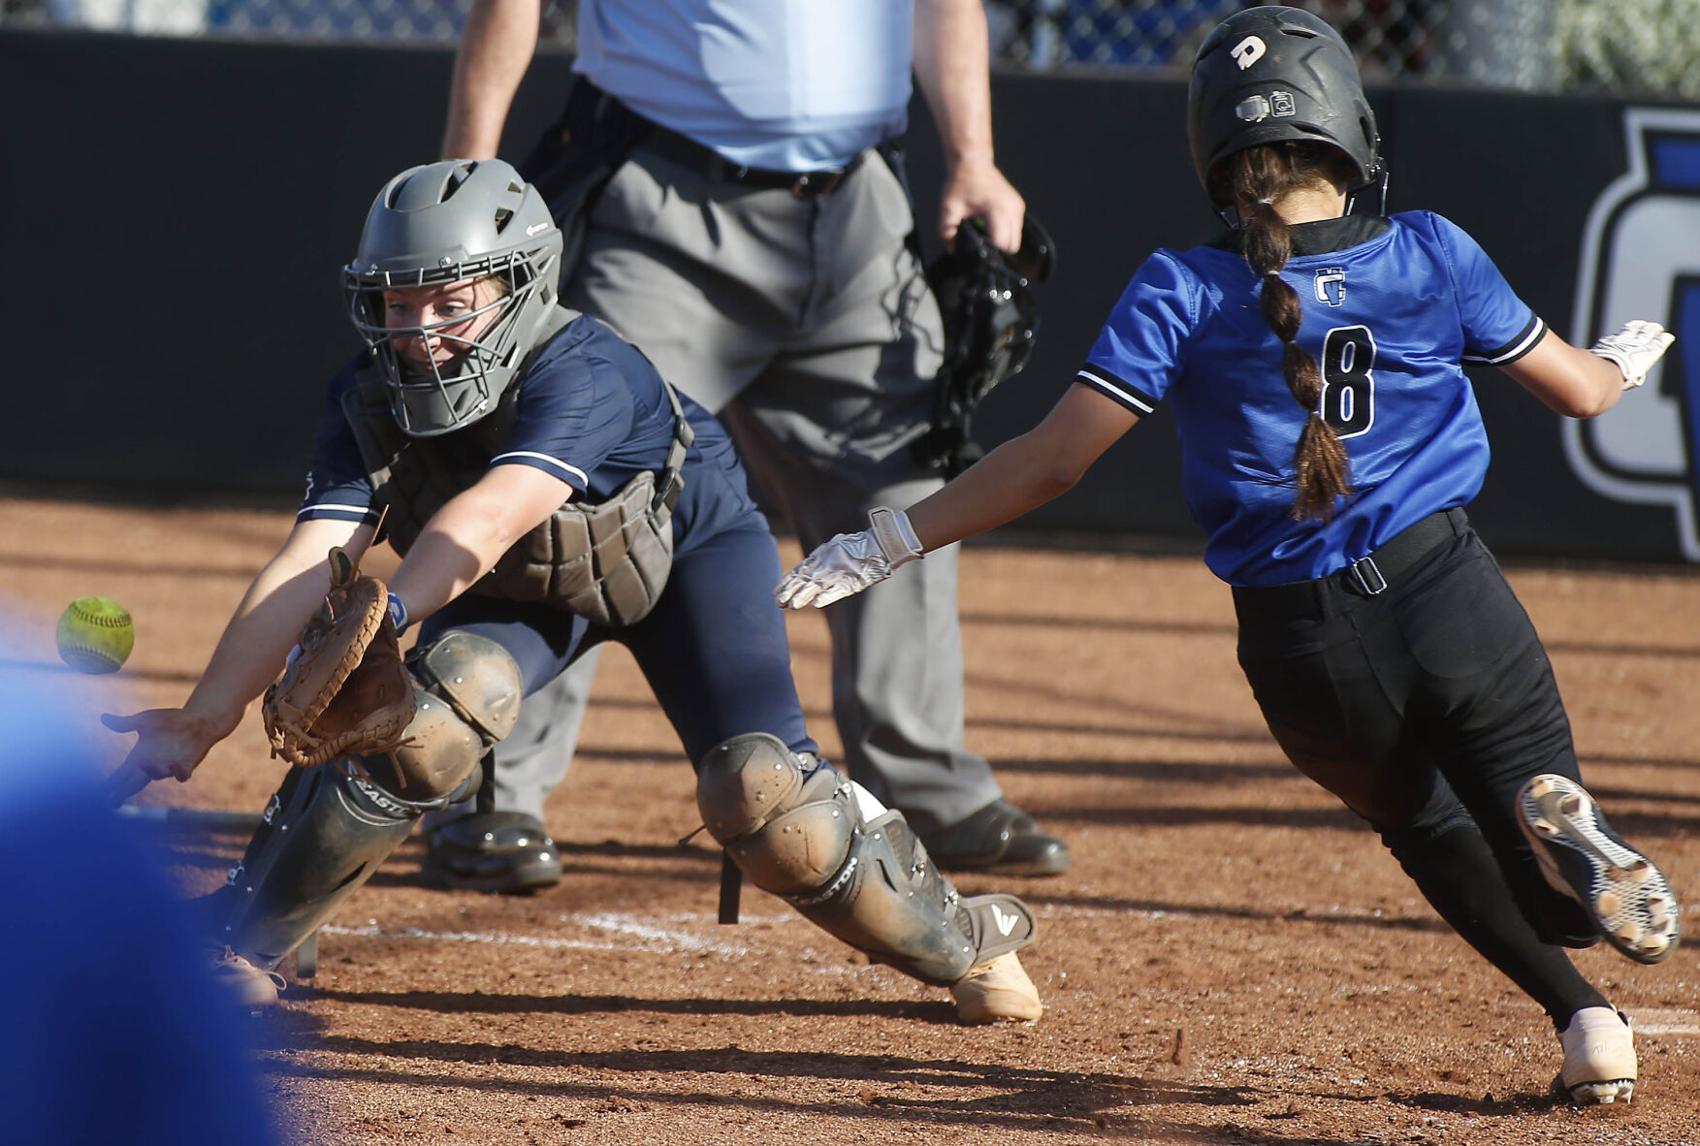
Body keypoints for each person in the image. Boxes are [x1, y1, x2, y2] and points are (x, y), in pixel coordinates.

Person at [776, 5, 1682, 1105]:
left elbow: (1054, 462)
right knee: (1538, 849)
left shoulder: (1183, 286)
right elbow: (1580, 394)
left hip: (1303, 648)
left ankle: (1585, 1021)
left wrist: (889, 538)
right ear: (1348, 127)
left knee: (1424, 830)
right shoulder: (1433, 250)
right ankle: (1571, 865)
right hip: (1451, 595)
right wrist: (1622, 363)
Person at [100, 158, 1042, 1024]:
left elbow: (493, 516)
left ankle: (963, 944)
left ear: (522, 286)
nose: (418, 333)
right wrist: (205, 715)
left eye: (449, 302)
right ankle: (245, 934)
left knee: (764, 794)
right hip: (523, 586)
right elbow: (314, 555)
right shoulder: (368, 396)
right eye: (396, 306)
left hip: (684, 553)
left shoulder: (583, 366)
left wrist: (385, 614)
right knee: (428, 717)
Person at [425, 0, 1071, 893]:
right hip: (661, 199)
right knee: (579, 493)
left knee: (904, 486)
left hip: (858, 215)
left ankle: (925, 787)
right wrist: (471, 179)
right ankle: (490, 793)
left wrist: (972, 156)